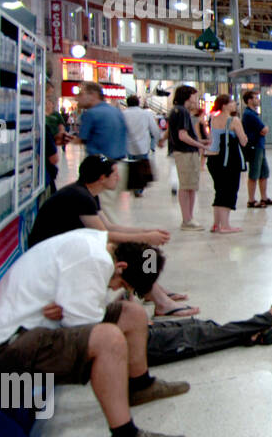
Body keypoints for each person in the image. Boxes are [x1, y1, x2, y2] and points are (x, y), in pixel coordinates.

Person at [0, 229, 188, 437]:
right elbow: (84, 325)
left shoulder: (97, 244)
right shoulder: (93, 259)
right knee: (109, 339)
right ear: (120, 265)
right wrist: (72, 311)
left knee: (132, 313)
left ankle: (140, 385)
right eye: (121, 283)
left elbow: (80, 314)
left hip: (26, 333)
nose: (115, 289)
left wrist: (70, 309)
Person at [28, 153, 197, 317]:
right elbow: (105, 235)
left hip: (64, 250)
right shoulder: (80, 197)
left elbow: (108, 226)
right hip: (51, 259)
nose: (118, 177)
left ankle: (152, 289)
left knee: (145, 251)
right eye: (114, 174)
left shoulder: (87, 193)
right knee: (140, 255)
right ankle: (159, 300)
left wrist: (145, 232)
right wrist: (145, 237)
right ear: (102, 178)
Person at [75, 82, 128, 213]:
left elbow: (81, 139)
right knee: (112, 209)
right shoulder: (116, 112)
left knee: (104, 211)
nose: (77, 98)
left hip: (102, 169)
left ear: (93, 95)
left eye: (81, 94)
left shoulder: (91, 114)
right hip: (120, 166)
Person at [205, 94, 247, 234]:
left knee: (219, 190)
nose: (234, 103)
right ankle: (225, 226)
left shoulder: (213, 119)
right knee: (228, 191)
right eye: (231, 102)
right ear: (224, 105)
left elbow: (212, 138)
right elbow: (243, 140)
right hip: (228, 160)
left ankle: (216, 224)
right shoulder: (234, 120)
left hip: (212, 159)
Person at [167, 85, 208, 230]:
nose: (196, 99)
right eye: (194, 95)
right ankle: (187, 219)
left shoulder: (178, 111)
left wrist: (200, 142)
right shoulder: (182, 111)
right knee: (186, 186)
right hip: (185, 152)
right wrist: (200, 145)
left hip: (185, 151)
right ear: (187, 96)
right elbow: (182, 136)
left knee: (190, 186)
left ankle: (189, 217)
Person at [240, 90, 272, 209]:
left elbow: (263, 129)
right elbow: (264, 129)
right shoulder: (249, 114)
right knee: (254, 173)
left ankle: (264, 198)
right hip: (255, 146)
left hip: (260, 146)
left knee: (263, 173)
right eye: (255, 98)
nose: (258, 100)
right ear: (249, 100)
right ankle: (251, 200)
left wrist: (263, 129)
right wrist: (264, 129)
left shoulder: (253, 114)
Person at [121, 96, 158, 198]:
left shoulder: (123, 114)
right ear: (138, 103)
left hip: (129, 146)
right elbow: (154, 129)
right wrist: (159, 140)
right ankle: (139, 189)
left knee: (131, 167)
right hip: (142, 146)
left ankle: (134, 186)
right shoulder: (146, 114)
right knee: (141, 168)